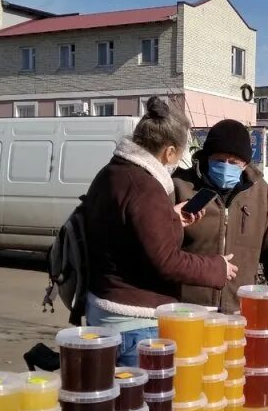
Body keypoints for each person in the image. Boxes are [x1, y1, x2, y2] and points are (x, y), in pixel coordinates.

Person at [82, 97, 237, 366]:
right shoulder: (145, 187)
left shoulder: (112, 173)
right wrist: (217, 268)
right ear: (169, 151)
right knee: (143, 394)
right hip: (134, 324)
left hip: (105, 311)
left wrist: (170, 218)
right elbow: (166, 261)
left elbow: (127, 233)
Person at [173, 118, 268, 312]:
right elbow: (160, 249)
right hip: (189, 310)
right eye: (219, 160)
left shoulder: (261, 194)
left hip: (240, 309)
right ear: (207, 158)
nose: (225, 167)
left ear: (245, 164)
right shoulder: (181, 186)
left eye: (233, 162)